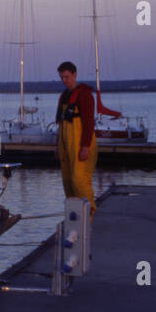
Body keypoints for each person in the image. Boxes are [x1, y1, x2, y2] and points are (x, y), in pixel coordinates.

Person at [54, 61, 97, 210]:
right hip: (66, 142)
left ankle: (89, 214)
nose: (65, 81)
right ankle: (74, 217)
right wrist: (58, 147)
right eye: (62, 78)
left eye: (67, 77)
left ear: (74, 74)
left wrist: (85, 146)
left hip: (80, 142)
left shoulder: (84, 95)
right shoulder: (65, 96)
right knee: (67, 181)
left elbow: (89, 122)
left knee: (79, 180)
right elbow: (61, 123)